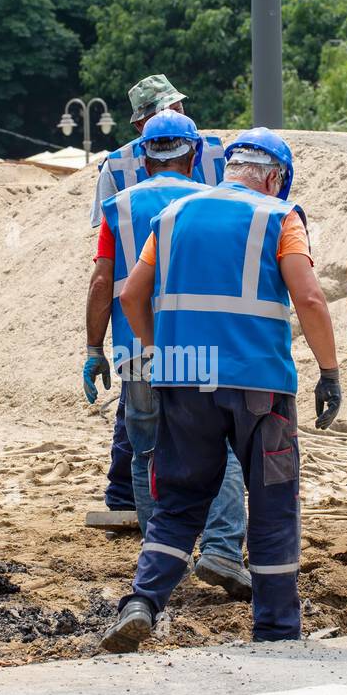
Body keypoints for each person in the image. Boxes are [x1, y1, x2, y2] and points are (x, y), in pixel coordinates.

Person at [101, 128, 342, 652]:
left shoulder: (173, 216)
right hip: (260, 387)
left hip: (183, 379)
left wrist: (157, 347)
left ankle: (143, 602)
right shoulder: (281, 218)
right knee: (274, 501)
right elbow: (310, 297)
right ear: (275, 177)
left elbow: (132, 294)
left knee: (181, 500)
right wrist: (330, 372)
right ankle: (276, 629)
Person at [85, 110, 252, 599]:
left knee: (146, 450)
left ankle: (158, 556)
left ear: (142, 155)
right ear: (194, 153)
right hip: (194, 345)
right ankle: (221, 549)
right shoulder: (211, 201)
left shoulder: (119, 206)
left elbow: (101, 281)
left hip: (137, 350)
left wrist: (94, 348)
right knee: (218, 448)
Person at [84, 74, 227, 521]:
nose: (174, 114)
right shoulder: (216, 156)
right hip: (199, 325)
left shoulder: (119, 180)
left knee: (140, 421)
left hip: (138, 329)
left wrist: (95, 346)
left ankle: (149, 526)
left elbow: (105, 268)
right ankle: (202, 530)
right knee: (209, 430)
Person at [88, 74, 226, 227]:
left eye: (176, 109)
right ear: (139, 125)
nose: (172, 119)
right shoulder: (116, 167)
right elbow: (104, 231)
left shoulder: (215, 154)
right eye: (160, 115)